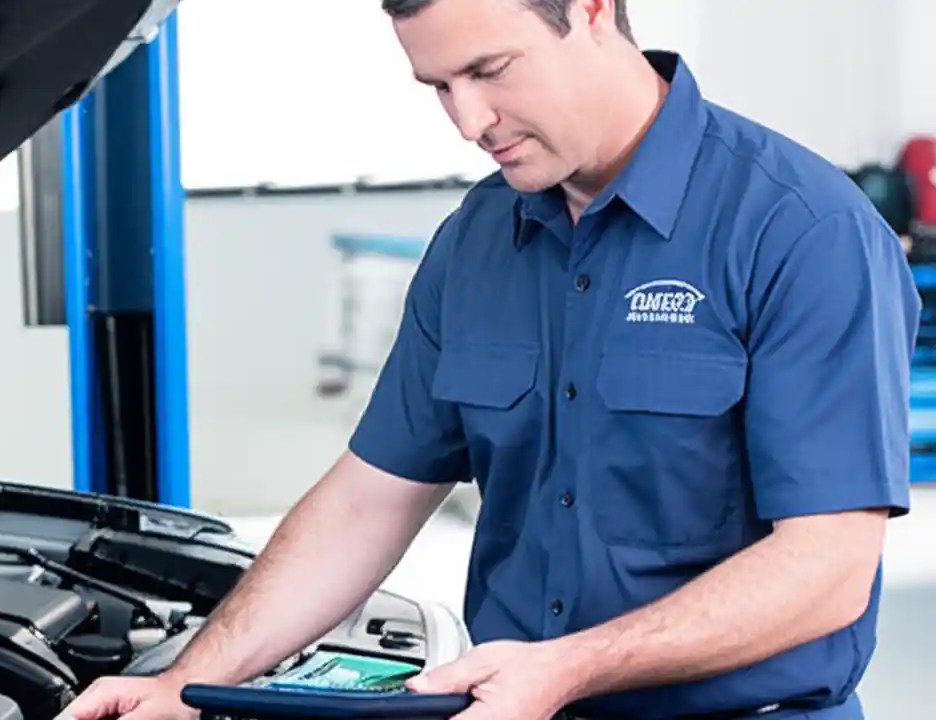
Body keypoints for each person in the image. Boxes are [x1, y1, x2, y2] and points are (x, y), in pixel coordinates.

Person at [59, 0, 920, 718]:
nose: (469, 122)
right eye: (439, 86)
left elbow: (827, 572)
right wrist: (187, 683)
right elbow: (368, 502)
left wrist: (570, 668)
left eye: (490, 71)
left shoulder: (801, 231)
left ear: (589, 9)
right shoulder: (476, 241)